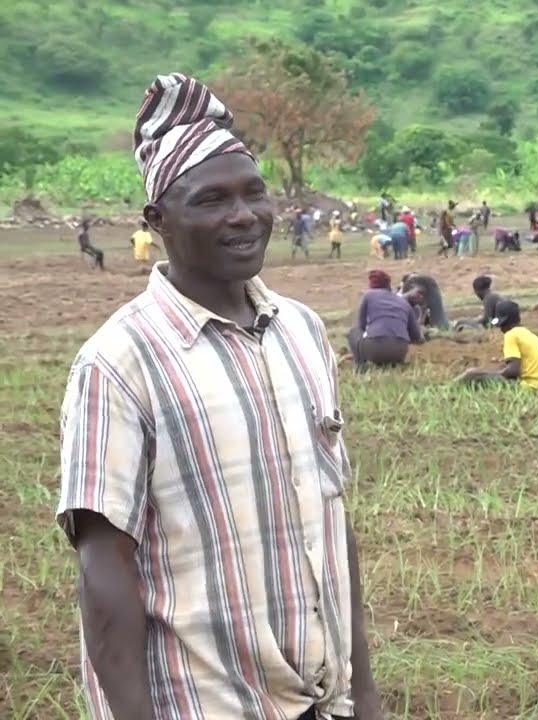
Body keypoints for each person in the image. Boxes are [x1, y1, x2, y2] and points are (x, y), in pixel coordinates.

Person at [57, 73, 382, 720]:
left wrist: (363, 693)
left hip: (323, 701)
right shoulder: (119, 362)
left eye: (254, 193)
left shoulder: (302, 331)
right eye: (211, 199)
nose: (244, 215)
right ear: (158, 220)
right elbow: (104, 572)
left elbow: (331, 519)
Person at [454, 300, 538, 388]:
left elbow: (513, 371)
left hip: (527, 385)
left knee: (471, 374)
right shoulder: (528, 334)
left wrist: (495, 374)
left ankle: (447, 388)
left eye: (501, 325)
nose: (501, 329)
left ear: (506, 322)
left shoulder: (511, 335)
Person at [347, 269, 423, 369]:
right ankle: (392, 363)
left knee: (354, 332)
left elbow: (361, 326)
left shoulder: (369, 295)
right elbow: (416, 337)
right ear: (388, 285)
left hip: (375, 349)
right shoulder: (403, 302)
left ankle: (361, 365)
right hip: (399, 352)